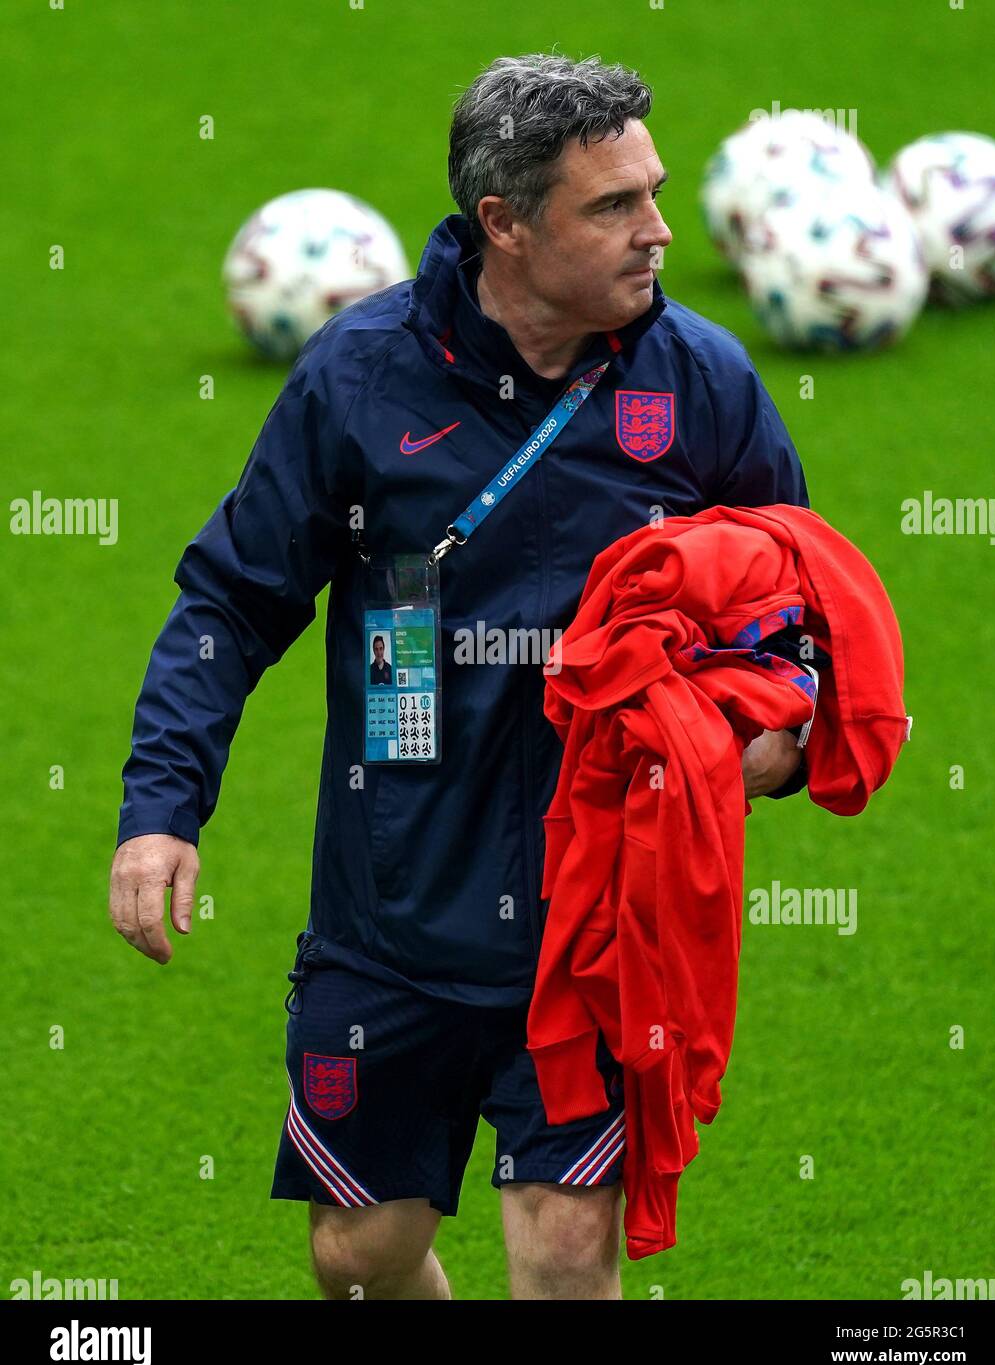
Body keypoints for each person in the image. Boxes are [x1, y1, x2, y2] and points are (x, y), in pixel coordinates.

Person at [108, 52, 817, 1301]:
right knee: (362, 1259)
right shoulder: (358, 378)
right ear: (503, 223)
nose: (660, 231)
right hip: (391, 922)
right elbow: (233, 595)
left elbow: (791, 604)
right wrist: (163, 809)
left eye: (652, 192)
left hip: (598, 926)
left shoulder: (698, 383)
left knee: (562, 1248)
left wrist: (776, 732)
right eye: (612, 206)